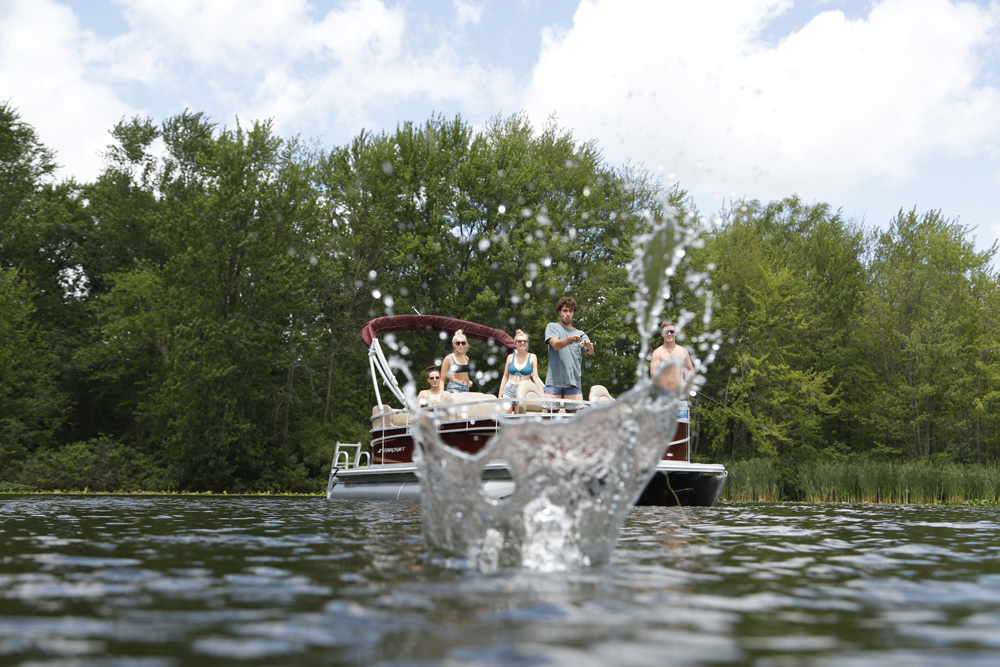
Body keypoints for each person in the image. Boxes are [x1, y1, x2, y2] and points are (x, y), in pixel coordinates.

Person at [544, 296, 594, 413]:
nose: (568, 314)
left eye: (570, 311)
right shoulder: (552, 327)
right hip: (553, 380)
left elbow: (590, 352)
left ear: (574, 313)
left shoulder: (581, 334)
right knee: (550, 418)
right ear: (559, 312)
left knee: (572, 419)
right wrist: (570, 339)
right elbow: (555, 345)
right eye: (565, 311)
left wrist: (589, 346)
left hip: (574, 381)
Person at [497, 330, 546, 414]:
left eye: (525, 341)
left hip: (522, 391)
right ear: (515, 343)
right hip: (508, 389)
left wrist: (542, 395)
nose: (522, 343)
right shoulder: (510, 357)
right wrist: (500, 395)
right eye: (519, 341)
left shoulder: (532, 357)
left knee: (518, 418)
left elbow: (536, 377)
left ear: (527, 344)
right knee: (504, 416)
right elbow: (505, 377)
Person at [650, 321, 694, 394]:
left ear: (675, 333)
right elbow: (653, 375)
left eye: (672, 331)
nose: (669, 334)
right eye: (666, 332)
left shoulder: (683, 351)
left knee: (683, 405)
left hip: (680, 394)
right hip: (664, 394)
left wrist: (686, 383)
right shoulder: (657, 353)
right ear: (662, 334)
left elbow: (691, 370)